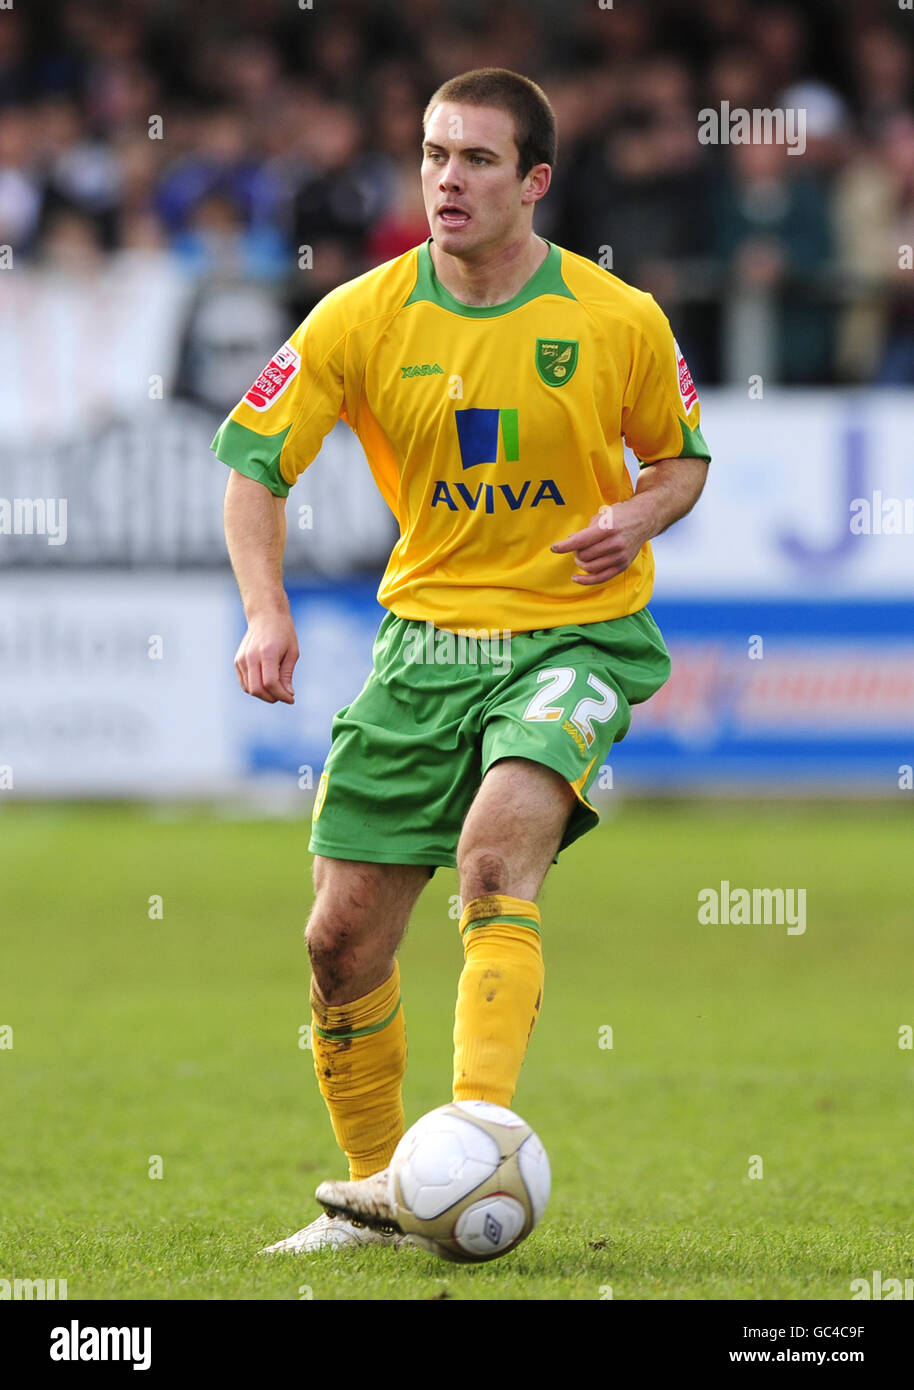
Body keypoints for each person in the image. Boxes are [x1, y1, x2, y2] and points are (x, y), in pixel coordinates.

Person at [213, 67, 710, 1252]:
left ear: (533, 180)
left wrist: (636, 517)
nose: (447, 178)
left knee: (494, 859)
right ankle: (379, 1196)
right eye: (434, 154)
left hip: (571, 635)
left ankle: (472, 1141)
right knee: (338, 944)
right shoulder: (359, 315)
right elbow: (251, 466)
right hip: (421, 647)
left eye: (477, 159)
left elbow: (680, 462)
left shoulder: (616, 317)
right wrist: (265, 610)